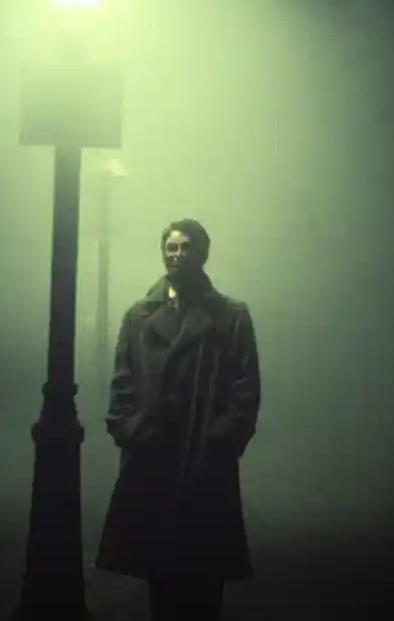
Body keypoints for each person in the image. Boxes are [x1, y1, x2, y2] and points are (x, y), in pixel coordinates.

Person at [95, 219, 261, 621]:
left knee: (204, 573)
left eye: (186, 248)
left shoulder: (230, 316)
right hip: (155, 456)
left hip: (203, 456)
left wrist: (222, 438)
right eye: (171, 247)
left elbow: (246, 385)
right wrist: (134, 430)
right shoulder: (139, 315)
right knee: (160, 571)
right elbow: (123, 381)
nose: (177, 255)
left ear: (202, 254)